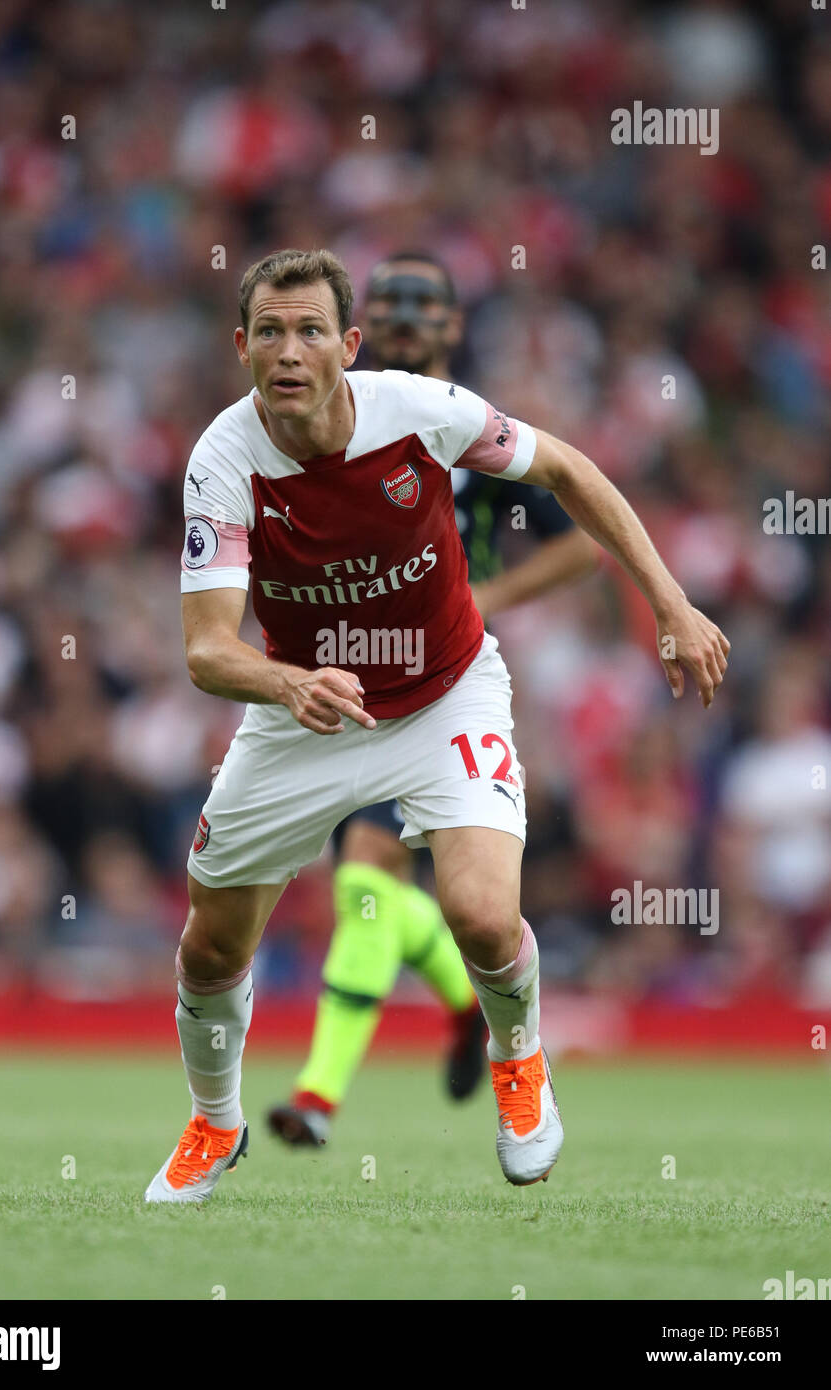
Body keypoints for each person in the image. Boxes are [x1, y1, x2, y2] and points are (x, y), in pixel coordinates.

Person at [145, 248, 729, 1204]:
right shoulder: (222, 459)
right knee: (210, 949)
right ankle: (216, 1121)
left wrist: (670, 603)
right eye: (272, 333)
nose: (290, 352)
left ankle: (520, 1061)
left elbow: (572, 471)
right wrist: (289, 685)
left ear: (349, 345)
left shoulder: (422, 412)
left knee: (484, 916)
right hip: (308, 711)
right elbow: (208, 649)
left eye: (312, 331)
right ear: (241, 345)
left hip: (446, 692)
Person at [265, 252, 599, 1146]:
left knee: (458, 903)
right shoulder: (334, 423)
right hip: (354, 689)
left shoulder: (465, 431)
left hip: (452, 689)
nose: (409, 315)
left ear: (454, 326)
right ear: (361, 324)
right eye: (392, 301)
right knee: (368, 886)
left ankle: (456, 1021)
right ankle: (326, 1092)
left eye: (427, 303)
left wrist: (484, 599)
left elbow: (578, 544)